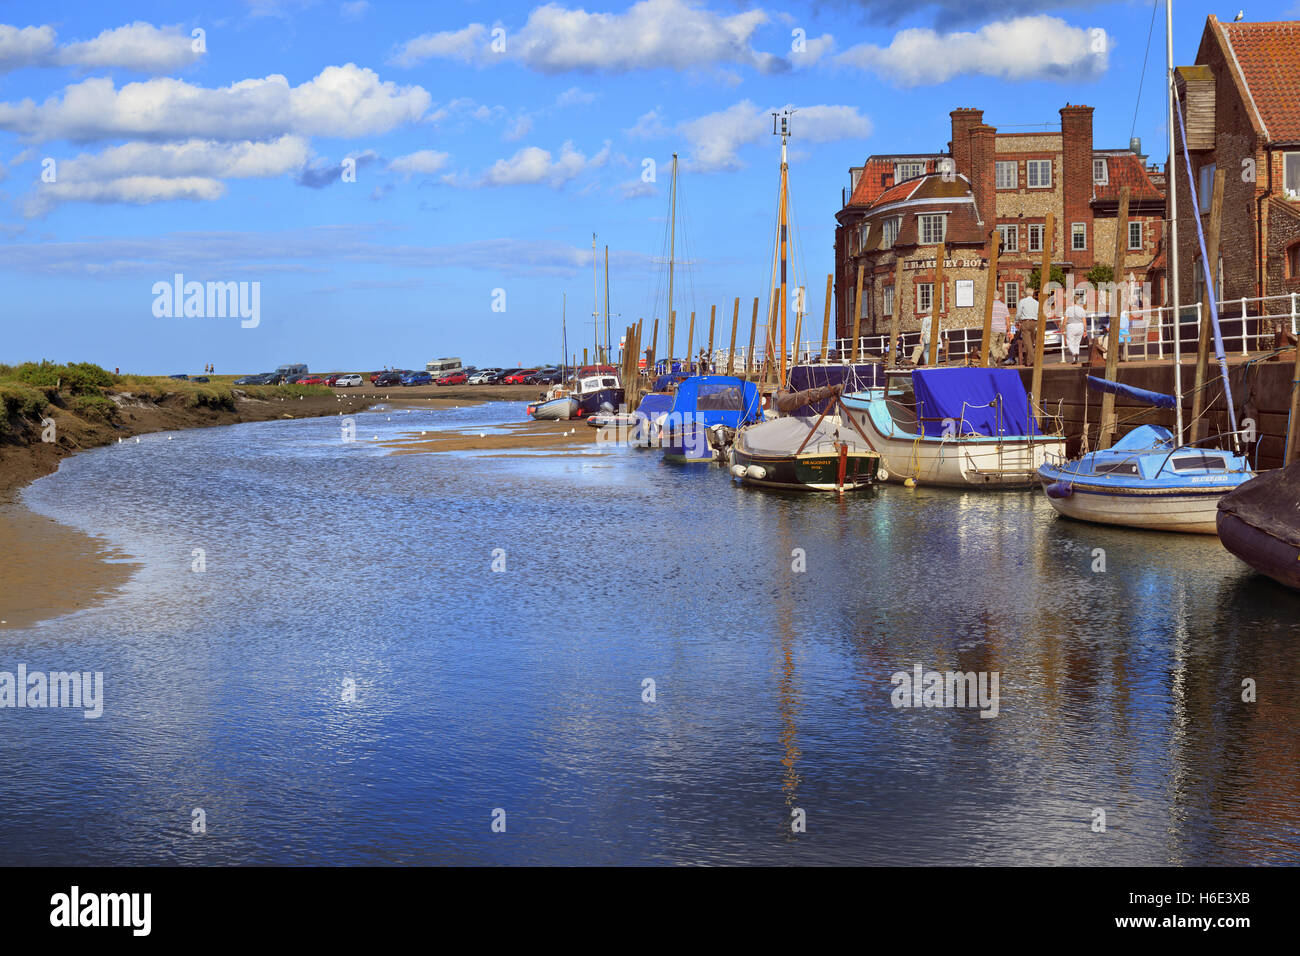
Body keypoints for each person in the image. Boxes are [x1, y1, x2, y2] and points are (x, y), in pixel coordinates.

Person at [1016, 289, 1039, 366]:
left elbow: (1019, 313)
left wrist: (1016, 321)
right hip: (1035, 322)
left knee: (1027, 343)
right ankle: (1028, 361)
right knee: (1031, 342)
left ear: (1025, 294)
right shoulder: (1036, 303)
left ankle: (1032, 360)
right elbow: (1039, 313)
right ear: (1032, 294)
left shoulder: (1022, 301)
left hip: (1025, 322)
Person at [1064, 290, 1088, 364]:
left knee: (1069, 342)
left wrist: (1062, 328)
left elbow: (1065, 320)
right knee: (1077, 343)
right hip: (1080, 326)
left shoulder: (1068, 309)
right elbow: (1084, 321)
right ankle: (1076, 359)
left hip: (1071, 326)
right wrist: (1085, 330)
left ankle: (1074, 353)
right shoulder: (1082, 310)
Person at [989, 292, 1010, 364]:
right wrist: (1008, 330)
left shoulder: (990, 306)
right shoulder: (1004, 306)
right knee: (999, 346)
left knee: (991, 344)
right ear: (999, 297)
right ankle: (998, 361)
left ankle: (997, 357)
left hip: (993, 328)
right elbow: (1007, 320)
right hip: (1002, 329)